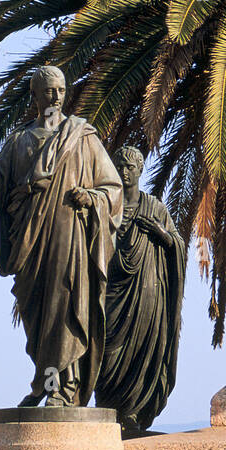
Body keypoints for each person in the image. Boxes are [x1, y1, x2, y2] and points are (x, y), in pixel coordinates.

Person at [0, 65, 123, 407]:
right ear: (35, 96)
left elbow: (112, 189)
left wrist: (90, 197)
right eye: (49, 91)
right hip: (30, 241)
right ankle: (47, 382)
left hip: (69, 235)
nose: (55, 97)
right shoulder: (19, 141)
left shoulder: (82, 136)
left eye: (61, 91)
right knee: (39, 322)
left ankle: (63, 389)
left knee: (63, 308)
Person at [95, 146, 185, 434]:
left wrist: (161, 234)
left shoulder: (155, 208)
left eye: (130, 167)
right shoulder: (108, 207)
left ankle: (132, 412)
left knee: (143, 349)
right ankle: (108, 408)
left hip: (148, 293)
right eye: (119, 166)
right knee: (107, 351)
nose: (124, 172)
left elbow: (177, 244)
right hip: (113, 291)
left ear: (140, 170)